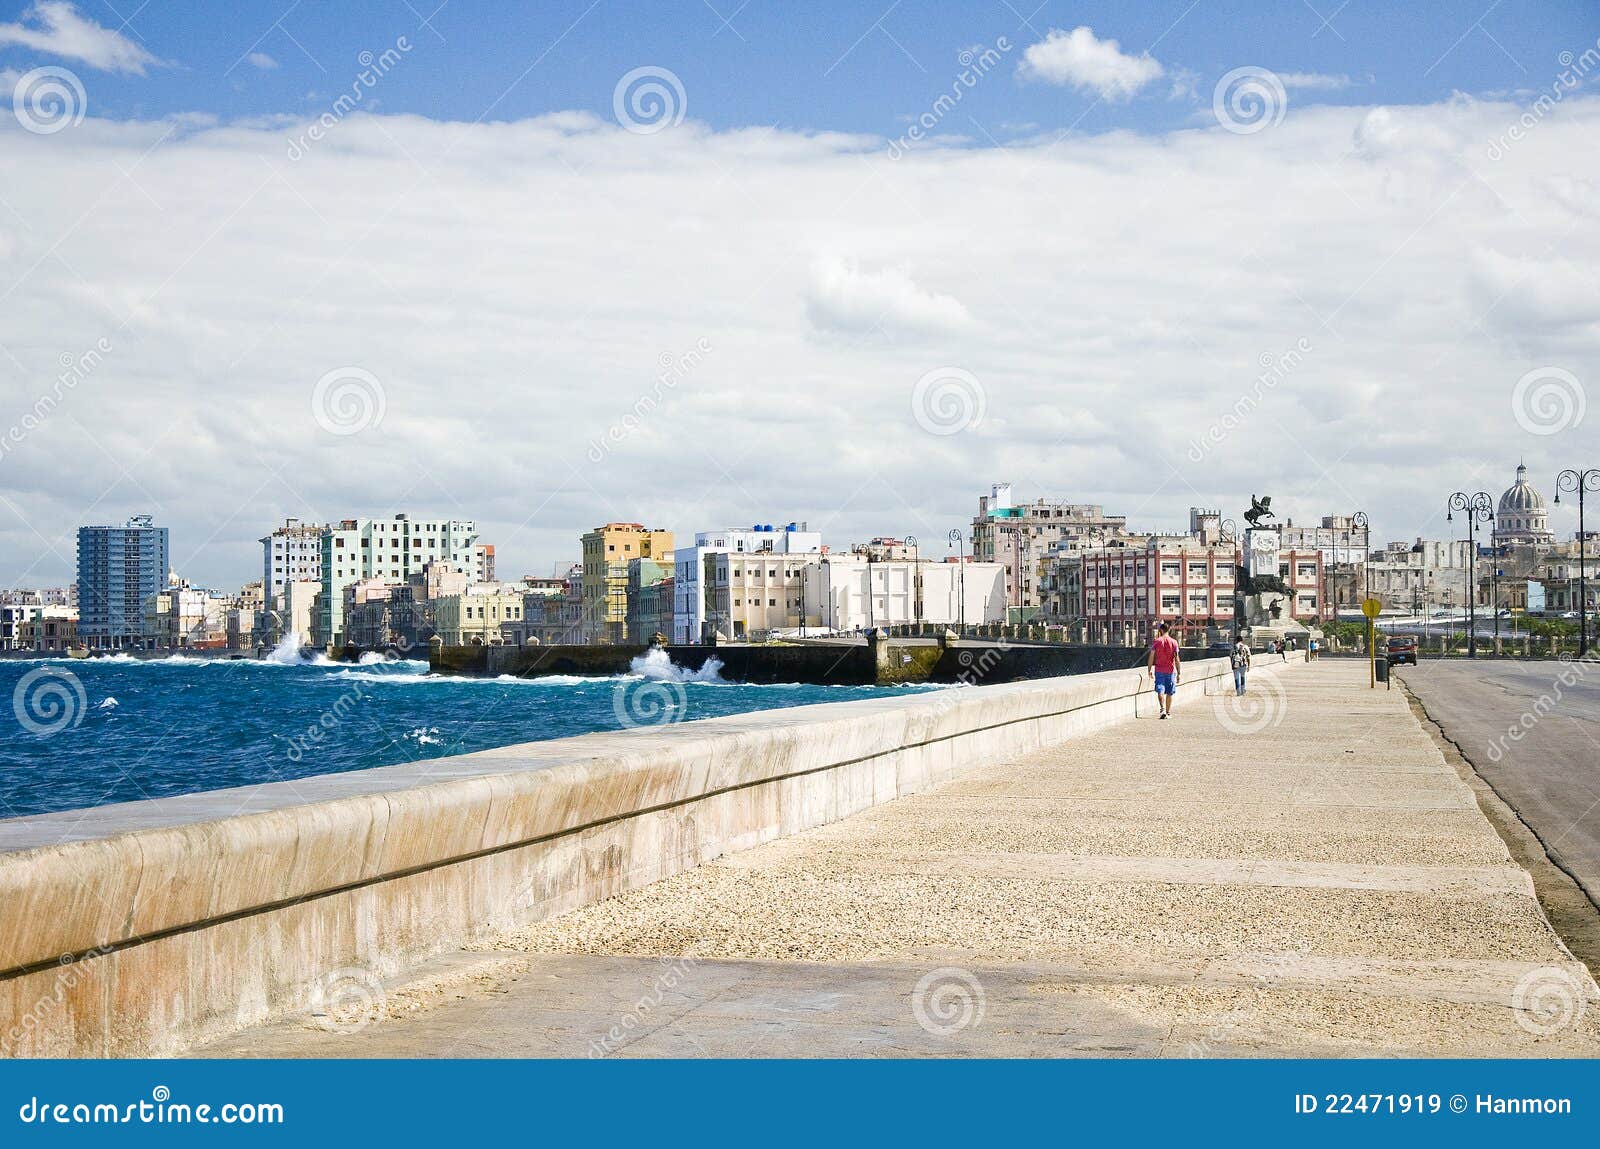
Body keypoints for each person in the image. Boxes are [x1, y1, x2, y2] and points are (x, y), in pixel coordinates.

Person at [1148, 621, 1181, 719]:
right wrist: (1179, 673)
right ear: (1169, 630)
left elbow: (1151, 657)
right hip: (1171, 671)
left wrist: (1149, 669)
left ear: (1161, 630)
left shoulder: (1157, 641)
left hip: (1159, 670)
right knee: (1170, 692)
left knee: (1160, 690)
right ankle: (1168, 712)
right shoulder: (1174, 642)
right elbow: (1177, 659)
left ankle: (1162, 709)